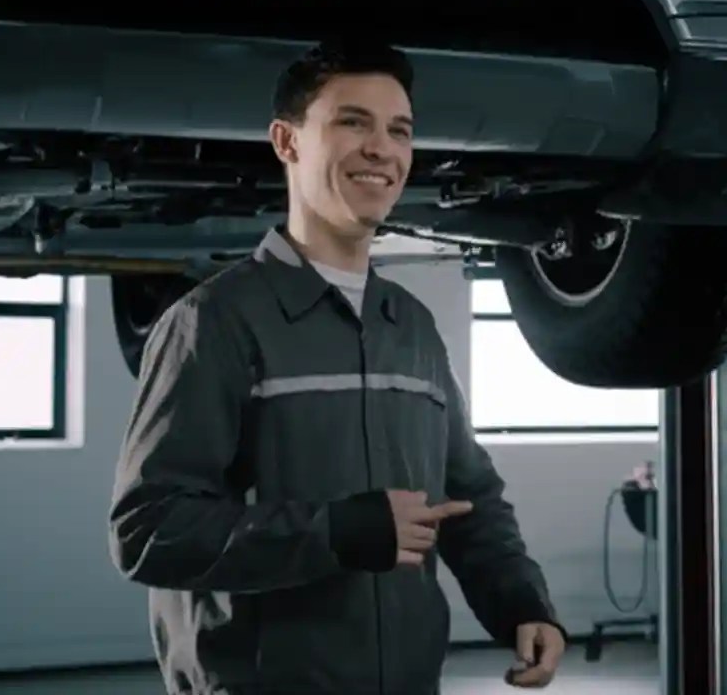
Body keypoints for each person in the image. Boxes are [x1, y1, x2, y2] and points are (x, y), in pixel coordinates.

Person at [107, 38, 567, 695]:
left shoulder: (410, 328)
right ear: (287, 142)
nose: (383, 148)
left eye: (399, 131)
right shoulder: (214, 323)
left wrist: (520, 602)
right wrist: (335, 532)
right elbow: (149, 531)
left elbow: (468, 499)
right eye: (353, 122)